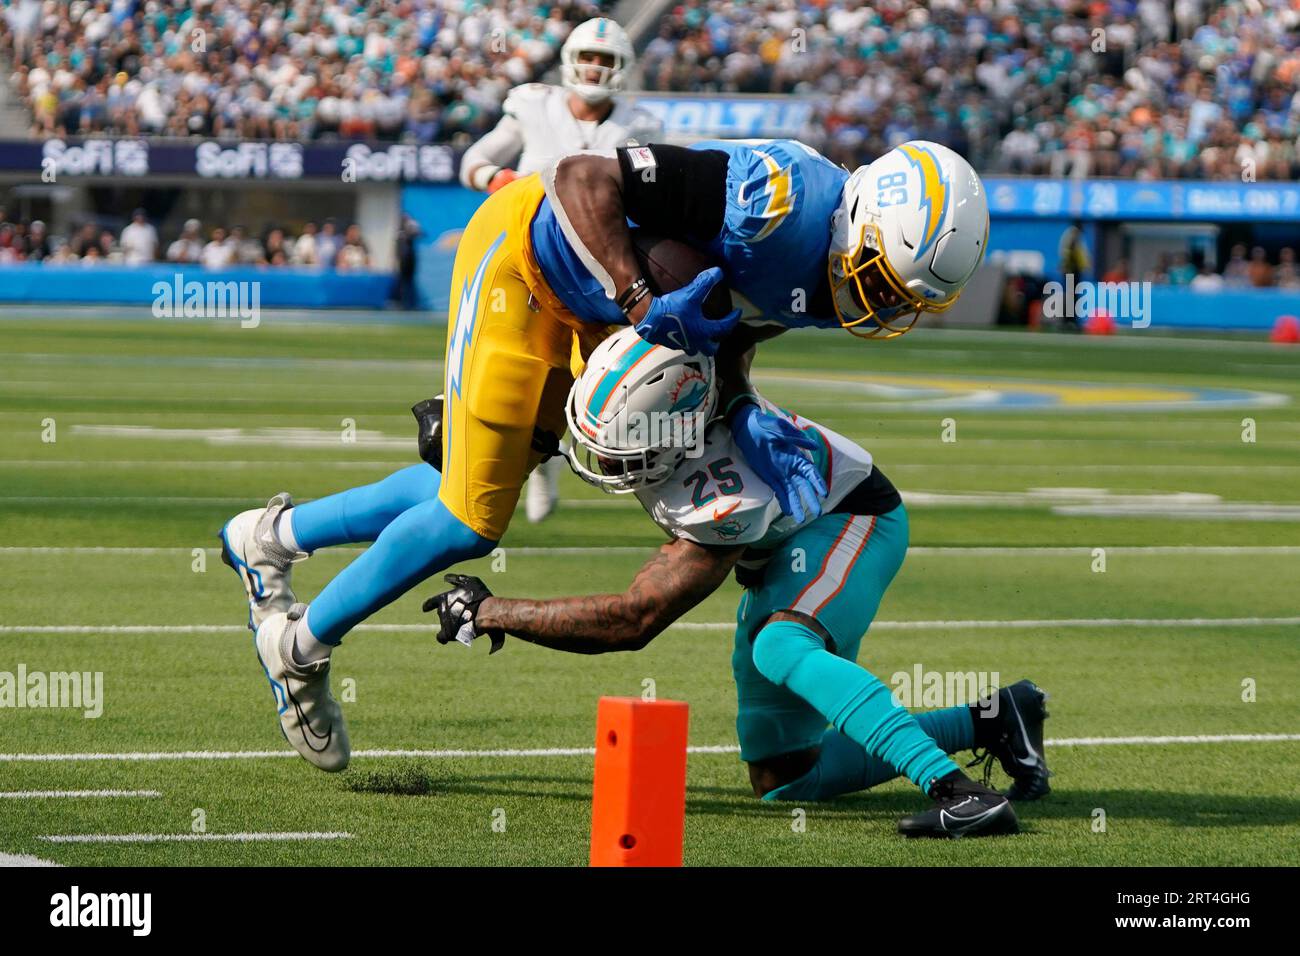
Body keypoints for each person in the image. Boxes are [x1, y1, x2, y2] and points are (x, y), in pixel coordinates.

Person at [219, 136, 989, 772]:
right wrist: (641, 302)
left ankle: (269, 538)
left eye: (899, 295)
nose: (879, 302)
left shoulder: (831, 278)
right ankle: (297, 646)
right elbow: (580, 176)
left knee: (495, 467)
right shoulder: (777, 200)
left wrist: (742, 405)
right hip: (531, 264)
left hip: (614, 315)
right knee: (471, 516)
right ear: (860, 217)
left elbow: (733, 335)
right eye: (882, 279)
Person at [423, 328, 1051, 837]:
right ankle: (994, 720)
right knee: (784, 779)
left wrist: (494, 609)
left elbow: (633, 619)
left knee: (779, 647)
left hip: (853, 517)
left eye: (621, 451)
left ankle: (959, 792)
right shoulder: (673, 369)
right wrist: (468, 432)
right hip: (783, 543)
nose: (607, 462)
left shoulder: (723, 497)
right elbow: (738, 326)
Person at [460, 17, 662, 525]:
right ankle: (513, 465)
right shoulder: (534, 104)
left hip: (592, 269)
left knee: (585, 373)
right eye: (589, 58)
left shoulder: (639, 125)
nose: (595, 68)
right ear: (571, 60)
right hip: (524, 260)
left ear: (622, 68)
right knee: (515, 368)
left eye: (607, 60)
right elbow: (474, 160)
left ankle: (552, 454)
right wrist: (505, 182)